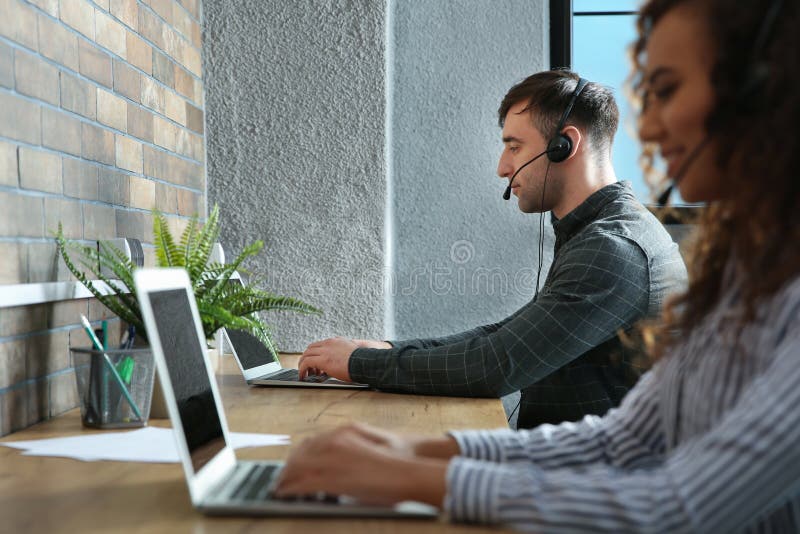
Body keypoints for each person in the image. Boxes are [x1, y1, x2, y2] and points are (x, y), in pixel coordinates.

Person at [274, 0, 800, 530]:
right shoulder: (741, 270)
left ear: (753, 93)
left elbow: (674, 504)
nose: (653, 122)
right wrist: (413, 449)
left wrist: (407, 473)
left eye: (665, 90)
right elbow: (624, 438)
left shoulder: (620, 250)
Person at [298, 70, 687, 430]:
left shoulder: (614, 249)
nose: (503, 168)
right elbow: (507, 336)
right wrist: (385, 349)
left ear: (563, 146)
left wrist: (358, 363)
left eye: (514, 147)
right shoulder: (595, 232)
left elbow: (496, 366)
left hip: (595, 485)